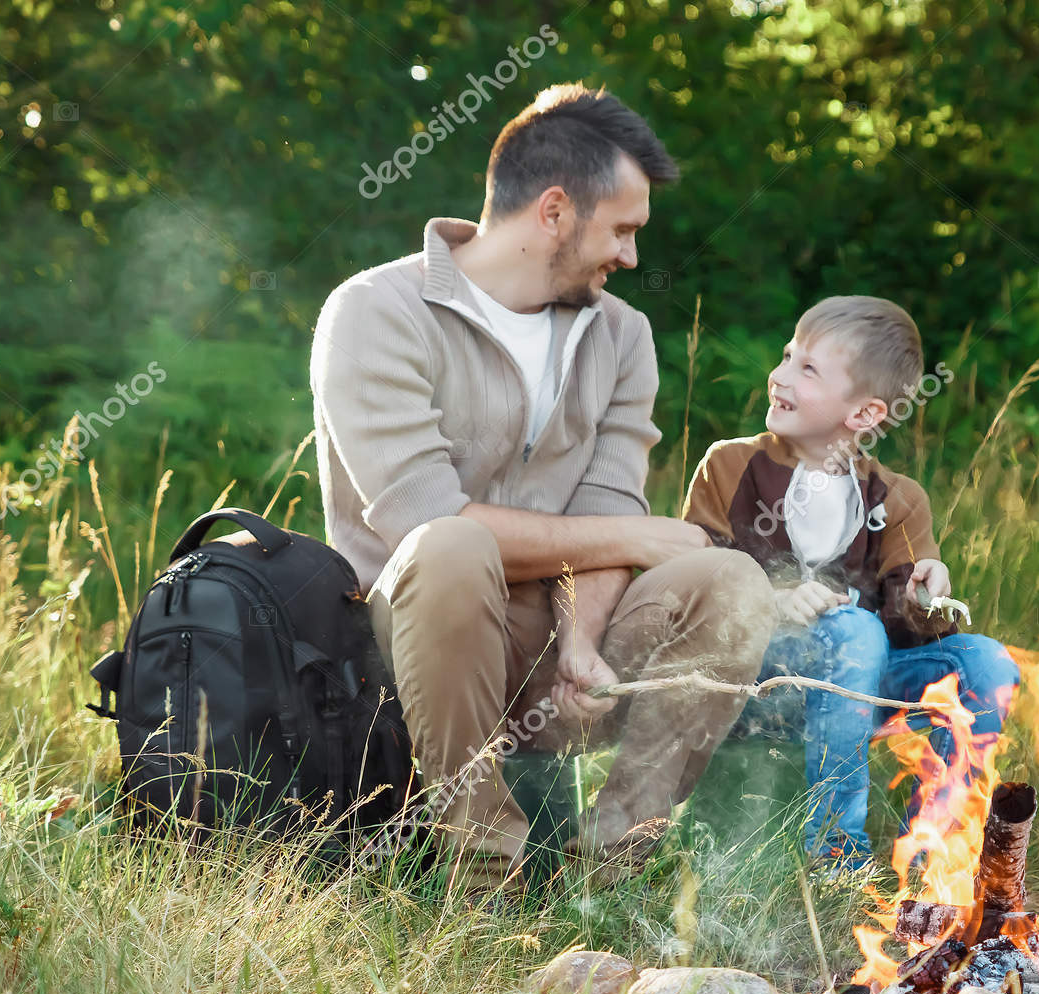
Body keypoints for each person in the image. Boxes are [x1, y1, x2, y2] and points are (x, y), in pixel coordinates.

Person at [310, 83, 775, 900]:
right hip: (409, 651)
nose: (630, 257)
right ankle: (484, 870)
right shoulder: (374, 311)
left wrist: (582, 640)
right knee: (451, 545)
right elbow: (428, 520)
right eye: (622, 230)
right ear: (554, 210)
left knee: (731, 581)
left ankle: (614, 862)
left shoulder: (622, 334)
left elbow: (607, 509)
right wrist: (634, 539)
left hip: (551, 653)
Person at [680, 296, 1020, 872]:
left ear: (864, 414)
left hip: (859, 688)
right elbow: (692, 580)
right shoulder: (731, 466)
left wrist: (925, 593)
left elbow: (910, 627)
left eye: (807, 368)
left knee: (986, 661)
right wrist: (774, 599)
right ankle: (835, 852)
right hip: (755, 679)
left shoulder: (898, 498)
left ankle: (933, 857)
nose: (780, 375)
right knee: (854, 629)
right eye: (787, 356)